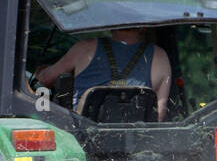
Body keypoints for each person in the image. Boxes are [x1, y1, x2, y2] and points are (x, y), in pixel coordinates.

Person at [34, 27, 172, 120]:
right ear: (143, 27)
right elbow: (159, 114)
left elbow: (46, 79)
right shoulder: (160, 56)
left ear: (112, 24)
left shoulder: (85, 48)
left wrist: (39, 72)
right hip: (136, 141)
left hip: (82, 137)